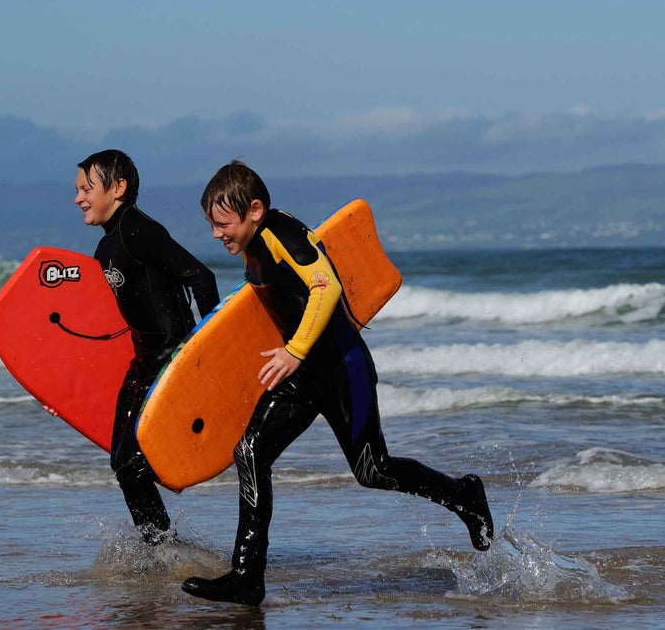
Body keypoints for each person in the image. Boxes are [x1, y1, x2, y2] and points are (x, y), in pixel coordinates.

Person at [181, 160, 494, 606]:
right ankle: (248, 576)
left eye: (222, 223)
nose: (216, 234)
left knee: (374, 471)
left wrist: (294, 350)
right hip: (304, 373)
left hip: (343, 369)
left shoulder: (281, 234)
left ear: (253, 209)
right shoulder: (254, 243)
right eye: (211, 224)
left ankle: (465, 495)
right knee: (249, 452)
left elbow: (324, 287)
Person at [74, 149, 220, 543]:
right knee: (122, 462)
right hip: (143, 365)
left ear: (118, 188)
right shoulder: (106, 247)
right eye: (78, 190)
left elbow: (200, 277)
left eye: (87, 188)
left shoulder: (138, 230)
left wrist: (209, 349)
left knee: (131, 462)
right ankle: (160, 547)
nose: (78, 198)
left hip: (171, 360)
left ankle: (160, 548)